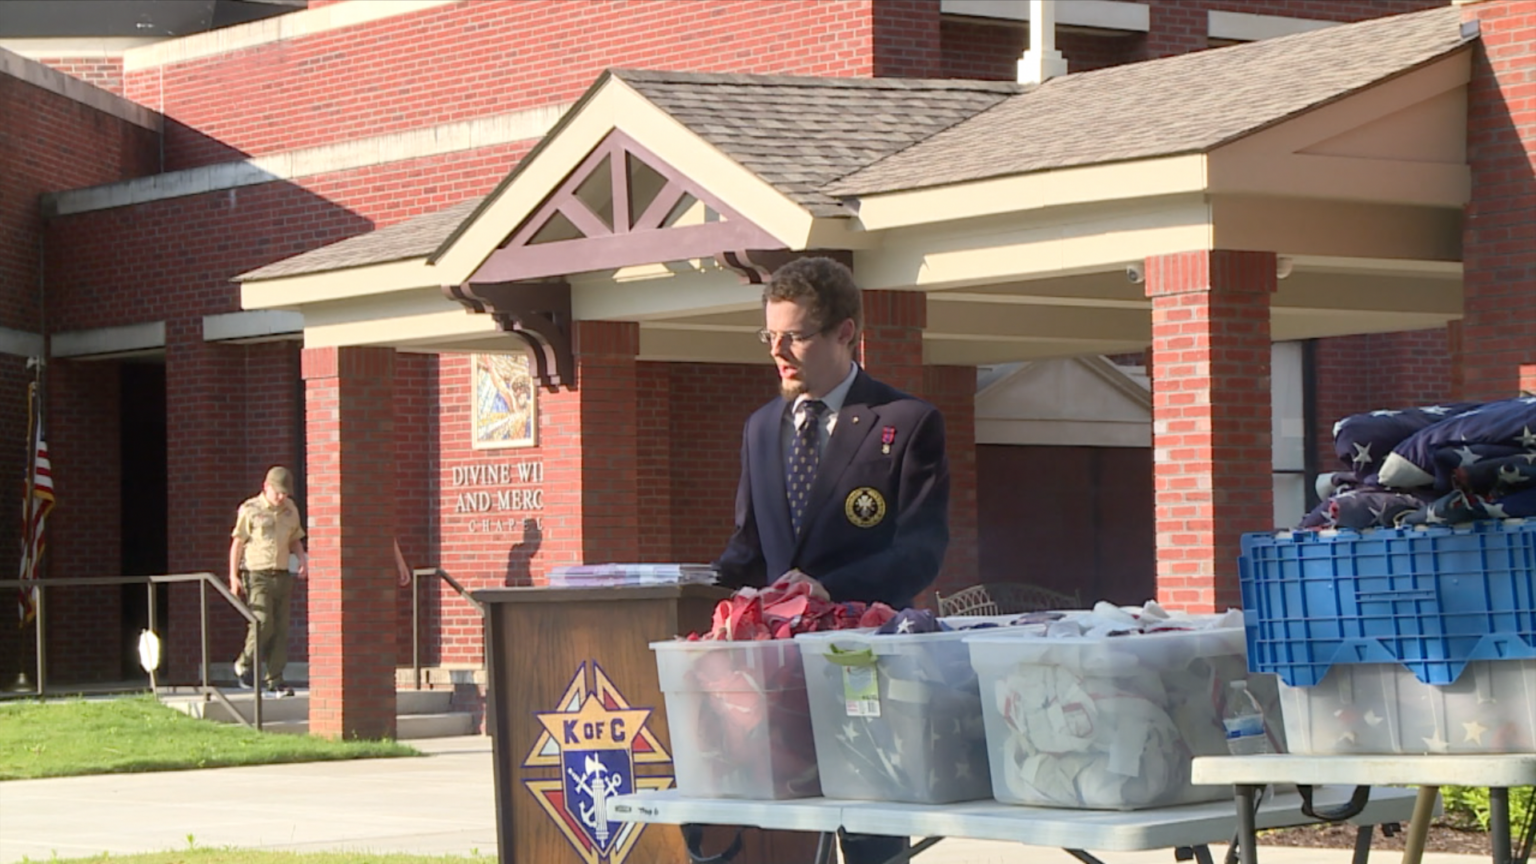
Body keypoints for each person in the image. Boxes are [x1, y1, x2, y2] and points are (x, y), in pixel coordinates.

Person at [713, 256, 950, 864]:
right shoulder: (761, 428)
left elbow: (920, 553)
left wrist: (827, 588)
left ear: (845, 332)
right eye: (770, 337)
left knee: (872, 838)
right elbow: (750, 548)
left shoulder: (906, 422)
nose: (779, 352)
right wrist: (693, 589)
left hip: (865, 665)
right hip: (774, 676)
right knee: (785, 835)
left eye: (794, 336)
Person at [229, 465, 308, 697]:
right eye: (278, 493)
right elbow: (238, 543)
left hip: (282, 573)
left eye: (285, 494)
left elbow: (294, 539)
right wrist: (233, 576)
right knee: (263, 622)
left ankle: (275, 679)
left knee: (281, 627)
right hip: (257, 573)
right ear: (266, 487)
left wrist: (302, 559)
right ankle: (245, 664)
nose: (281, 497)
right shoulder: (250, 509)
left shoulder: (290, 510)